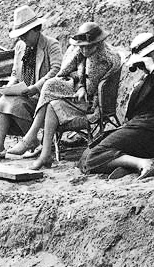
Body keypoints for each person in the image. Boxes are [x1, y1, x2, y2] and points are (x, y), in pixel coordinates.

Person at [10, 22, 122, 169]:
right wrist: (79, 80)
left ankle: (32, 138)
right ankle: (45, 154)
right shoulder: (84, 51)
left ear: (98, 43)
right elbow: (64, 71)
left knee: (50, 86)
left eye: (87, 46)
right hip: (80, 93)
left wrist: (78, 80)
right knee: (51, 103)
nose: (83, 50)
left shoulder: (101, 59)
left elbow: (88, 87)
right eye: (81, 46)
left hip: (91, 103)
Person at [80, 31, 154, 180]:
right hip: (142, 128)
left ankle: (144, 163)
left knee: (93, 157)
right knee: (86, 155)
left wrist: (153, 68)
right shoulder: (148, 74)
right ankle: (128, 164)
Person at [0, 6, 56, 162]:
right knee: (4, 100)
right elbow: (14, 72)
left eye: (25, 35)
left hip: (43, 98)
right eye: (20, 36)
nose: (22, 39)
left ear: (35, 30)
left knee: (14, 104)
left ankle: (33, 143)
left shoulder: (51, 45)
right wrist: (11, 86)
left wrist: (35, 88)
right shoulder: (20, 47)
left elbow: (55, 72)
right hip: (23, 94)